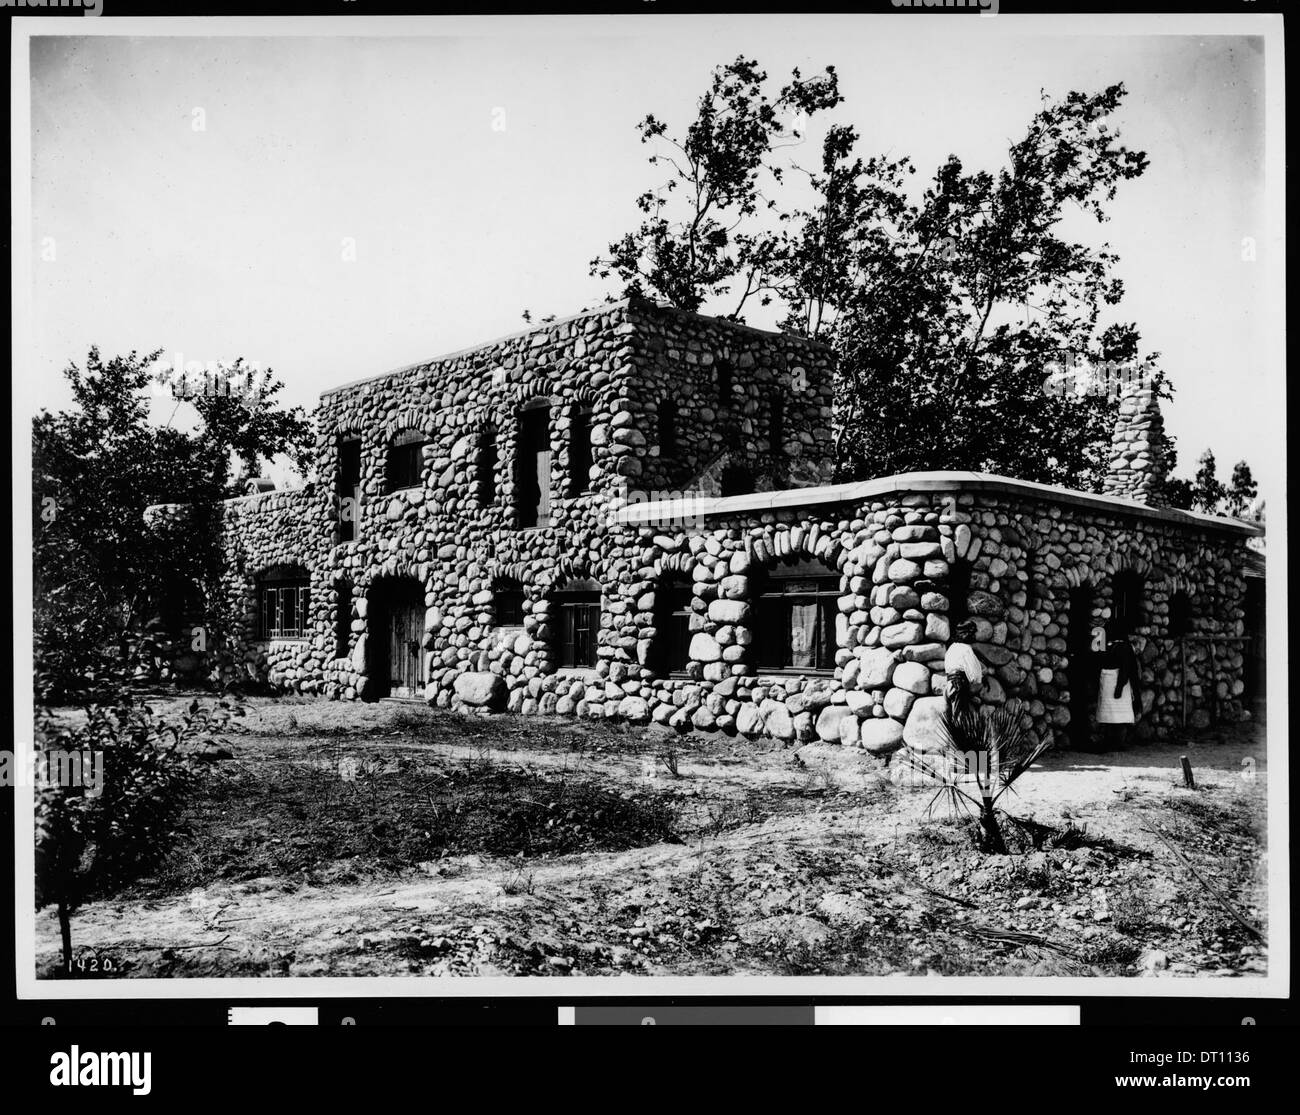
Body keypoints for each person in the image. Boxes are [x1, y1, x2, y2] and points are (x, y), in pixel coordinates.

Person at [1096, 633, 1140, 748]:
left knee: (1116, 716)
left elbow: (1125, 668)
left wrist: (1120, 686)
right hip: (1111, 681)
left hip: (1115, 682)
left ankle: (1116, 742)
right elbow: (1126, 668)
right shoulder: (1121, 646)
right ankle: (1114, 742)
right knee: (1113, 716)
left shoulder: (1119, 646)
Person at [944, 619, 984, 720]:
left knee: (951, 716)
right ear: (967, 634)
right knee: (960, 719)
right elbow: (974, 674)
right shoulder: (966, 649)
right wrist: (979, 681)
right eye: (973, 633)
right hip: (960, 685)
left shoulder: (951, 648)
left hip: (949, 684)